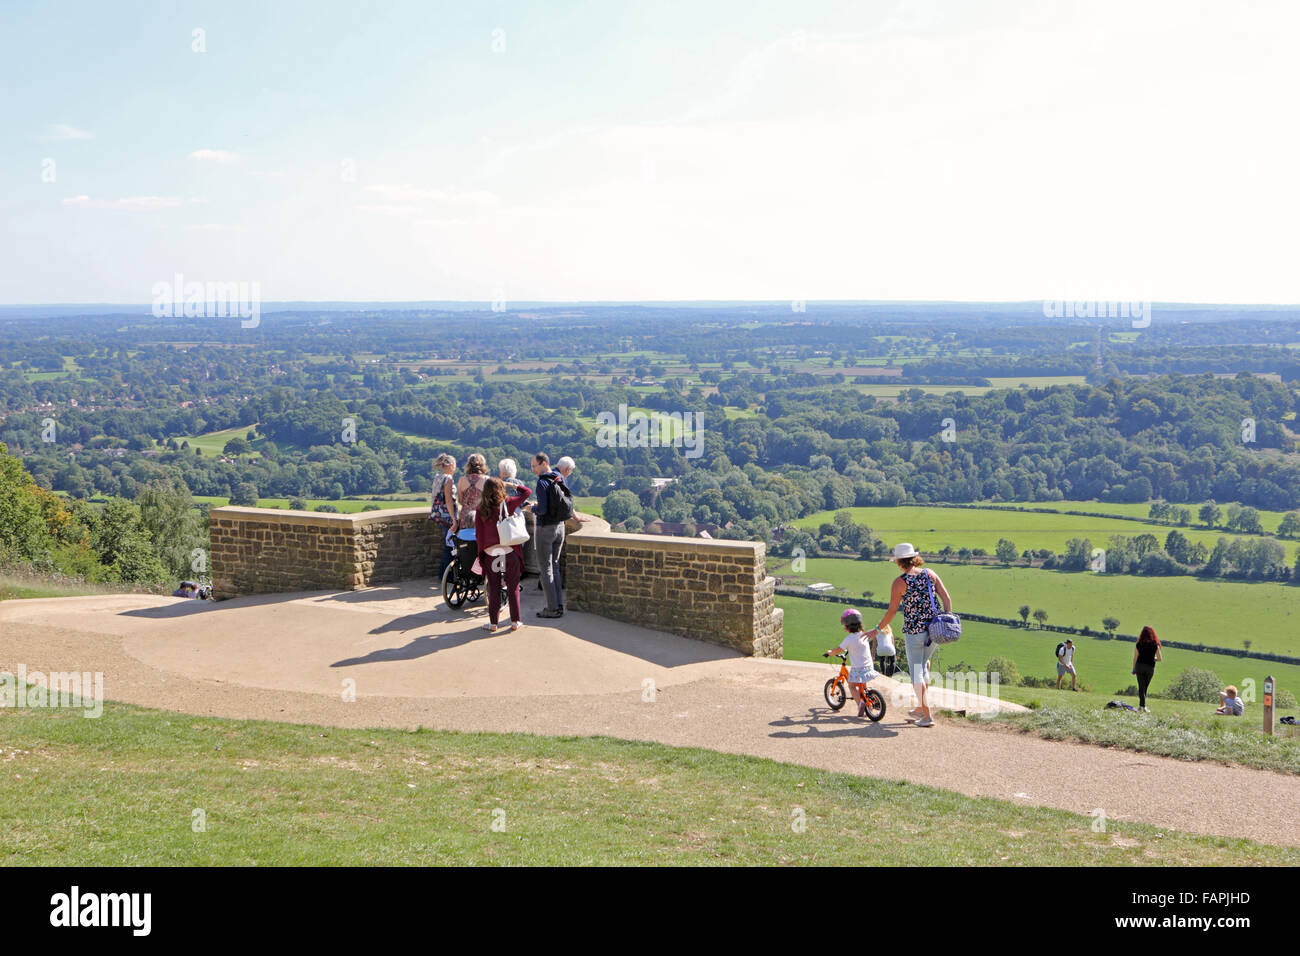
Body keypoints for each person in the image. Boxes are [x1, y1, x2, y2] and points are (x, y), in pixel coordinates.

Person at [868, 543, 952, 728]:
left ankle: (927, 716)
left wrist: (876, 629)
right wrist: (946, 619)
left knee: (916, 673)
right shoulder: (930, 574)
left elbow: (891, 612)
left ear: (899, 562)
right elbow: (946, 599)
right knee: (922, 667)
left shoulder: (900, 582)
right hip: (934, 631)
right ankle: (920, 709)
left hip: (914, 633)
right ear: (914, 558)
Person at [474, 476, 532, 633]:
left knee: (494, 588)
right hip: (508, 552)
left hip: (492, 554)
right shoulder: (508, 504)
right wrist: (510, 484)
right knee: (513, 586)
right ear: (501, 489)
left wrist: (481, 555)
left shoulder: (480, 509)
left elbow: (479, 535)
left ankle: (493, 624)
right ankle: (515, 621)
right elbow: (527, 492)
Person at [531, 452, 570, 619]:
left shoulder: (542, 483)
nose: (532, 469)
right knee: (555, 566)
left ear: (543, 463)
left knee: (545, 568)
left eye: (534, 466)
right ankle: (559, 605)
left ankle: (552, 608)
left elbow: (542, 509)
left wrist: (531, 508)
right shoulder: (559, 477)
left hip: (545, 528)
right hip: (560, 527)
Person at [824, 608, 878, 718]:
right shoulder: (864, 635)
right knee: (863, 685)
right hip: (868, 666)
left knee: (851, 686)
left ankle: (860, 704)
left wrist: (830, 653)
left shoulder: (848, 639)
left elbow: (839, 649)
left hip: (858, 668)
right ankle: (867, 699)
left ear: (848, 627)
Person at [429, 453, 458, 579]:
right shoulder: (448, 479)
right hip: (446, 516)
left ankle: (444, 574)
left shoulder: (438, 477)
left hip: (438, 515)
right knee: (450, 545)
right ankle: (446, 575)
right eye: (455, 465)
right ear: (451, 465)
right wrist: (453, 518)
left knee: (448, 543)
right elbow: (448, 500)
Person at [1131, 625, 1162, 712]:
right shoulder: (1155, 645)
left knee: (1141, 687)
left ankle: (1142, 706)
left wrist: (1134, 669)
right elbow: (1159, 659)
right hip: (1150, 668)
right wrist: (1152, 658)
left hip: (1139, 666)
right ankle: (1143, 707)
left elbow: (1135, 658)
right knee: (1145, 687)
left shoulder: (1138, 644)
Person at [456, 454, 488, 532]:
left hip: (466, 515)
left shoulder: (462, 480)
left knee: (466, 539)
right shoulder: (486, 479)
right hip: (481, 515)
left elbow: (460, 500)